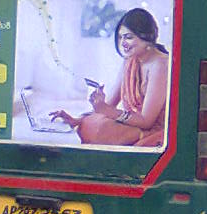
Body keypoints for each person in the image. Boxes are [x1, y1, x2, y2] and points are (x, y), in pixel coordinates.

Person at [52, 8, 170, 147]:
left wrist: (106, 110)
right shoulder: (130, 60)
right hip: (134, 124)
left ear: (147, 37)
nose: (123, 43)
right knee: (92, 123)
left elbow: (146, 121)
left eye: (128, 37)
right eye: (120, 37)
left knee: (100, 130)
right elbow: (109, 106)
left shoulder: (160, 65)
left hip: (154, 131)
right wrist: (78, 119)